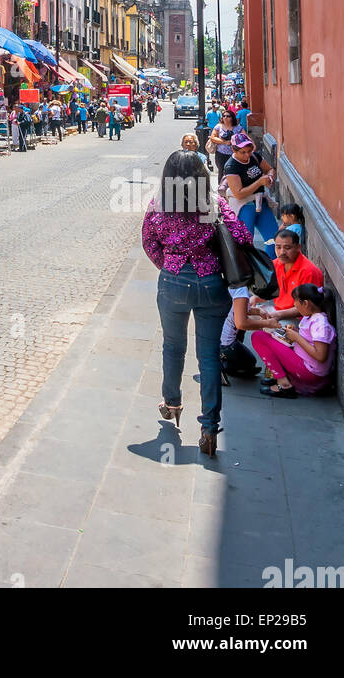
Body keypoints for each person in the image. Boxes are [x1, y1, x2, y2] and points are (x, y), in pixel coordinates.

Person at [142, 150, 253, 457]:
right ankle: (209, 426)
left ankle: (172, 401)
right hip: (210, 284)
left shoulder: (158, 206)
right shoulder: (214, 205)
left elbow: (150, 242)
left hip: (173, 282)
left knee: (173, 347)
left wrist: (171, 265)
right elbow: (243, 237)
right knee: (209, 357)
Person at [252, 285, 336, 398]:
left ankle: (284, 384)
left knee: (259, 337)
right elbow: (310, 340)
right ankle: (282, 378)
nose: (295, 305)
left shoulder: (321, 324)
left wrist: (297, 337)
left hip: (310, 372)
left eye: (295, 302)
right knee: (266, 336)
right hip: (305, 363)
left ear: (305, 303)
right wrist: (295, 333)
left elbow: (321, 356)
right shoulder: (311, 316)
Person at [253, 230, 323, 324]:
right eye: (278, 247)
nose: (282, 252)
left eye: (287, 248)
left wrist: (280, 314)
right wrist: (255, 298)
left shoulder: (309, 271)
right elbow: (271, 291)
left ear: (298, 247)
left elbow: (309, 308)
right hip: (278, 312)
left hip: (301, 321)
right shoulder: (276, 264)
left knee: (260, 330)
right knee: (243, 314)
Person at [222, 132, 279, 244]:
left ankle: (272, 261)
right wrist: (259, 182)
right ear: (234, 150)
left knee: (274, 240)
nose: (247, 155)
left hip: (261, 203)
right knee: (246, 243)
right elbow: (238, 193)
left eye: (249, 151)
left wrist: (270, 177)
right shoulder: (231, 166)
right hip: (245, 206)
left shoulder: (255, 156)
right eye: (243, 152)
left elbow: (269, 169)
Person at [207, 110, 238, 181]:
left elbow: (245, 137)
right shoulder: (218, 126)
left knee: (232, 171)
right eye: (224, 116)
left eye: (228, 116)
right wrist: (225, 142)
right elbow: (212, 137)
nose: (225, 117)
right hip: (221, 154)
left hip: (234, 154)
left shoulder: (237, 128)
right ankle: (221, 188)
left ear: (232, 118)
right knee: (221, 171)